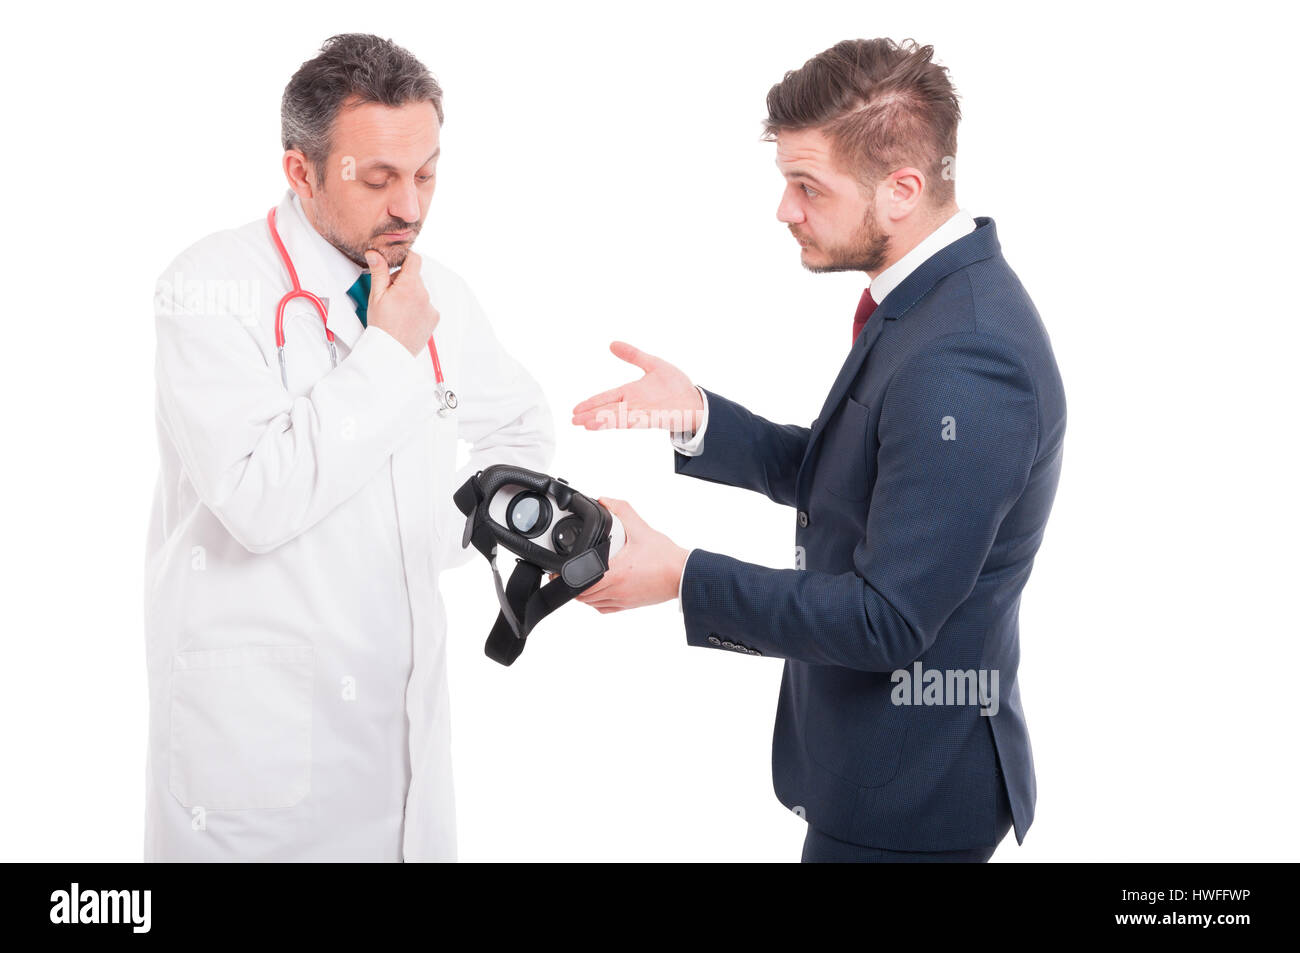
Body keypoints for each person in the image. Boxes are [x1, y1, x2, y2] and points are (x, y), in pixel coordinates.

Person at [570, 38, 1065, 862]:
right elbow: (857, 477)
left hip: (910, 801)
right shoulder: (927, 304)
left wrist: (682, 574)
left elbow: (887, 620)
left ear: (902, 189)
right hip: (873, 768)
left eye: (808, 186)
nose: (785, 209)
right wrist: (698, 417)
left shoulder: (968, 359)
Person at [144, 33, 554, 861]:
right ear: (301, 171)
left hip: (403, 742)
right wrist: (388, 353)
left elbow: (520, 428)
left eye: (427, 173)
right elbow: (257, 499)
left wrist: (471, 524)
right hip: (253, 767)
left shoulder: (441, 293)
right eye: (378, 179)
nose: (410, 206)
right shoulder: (210, 288)